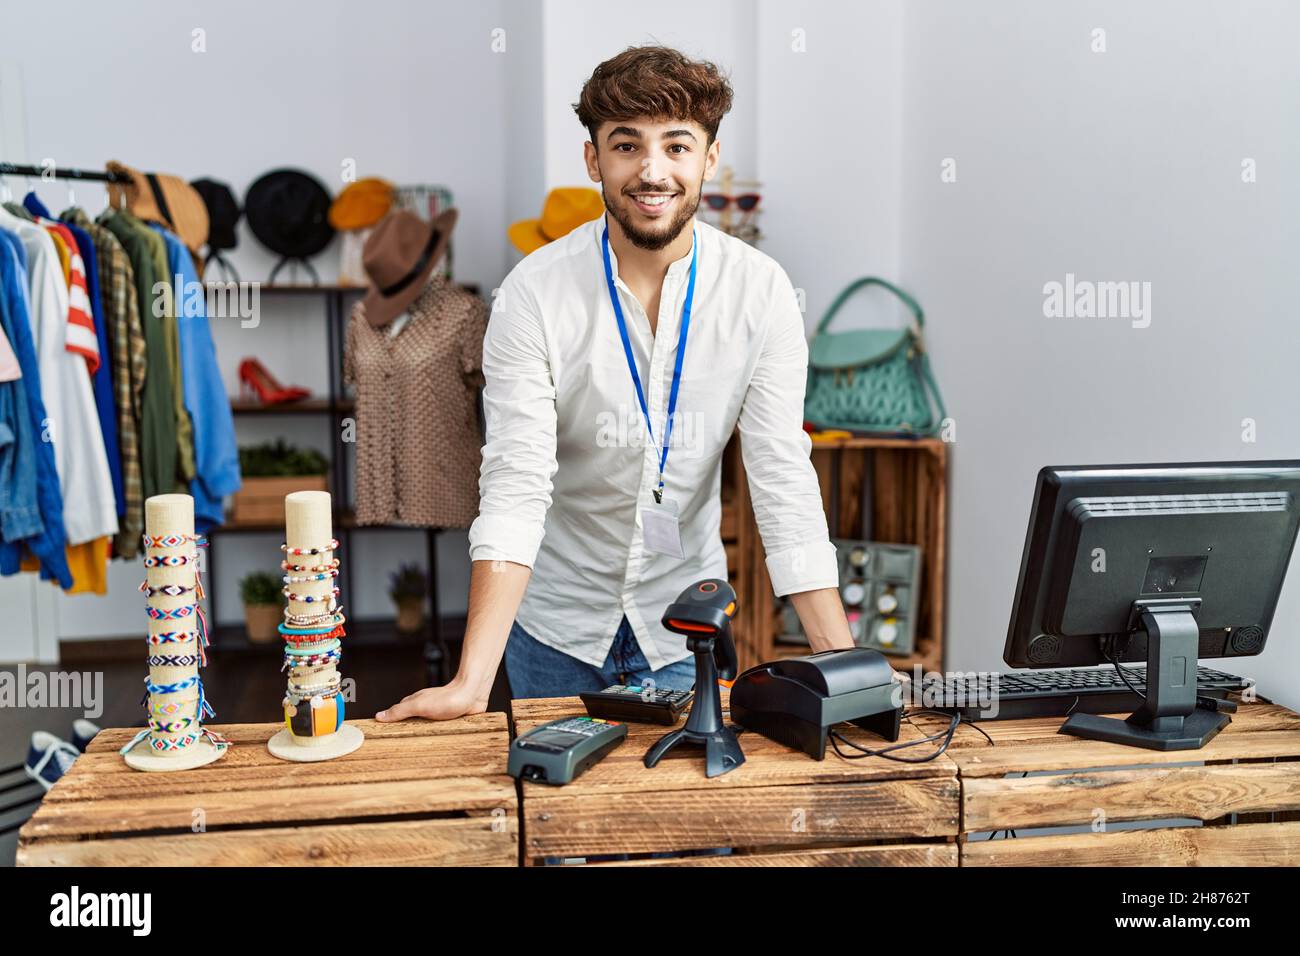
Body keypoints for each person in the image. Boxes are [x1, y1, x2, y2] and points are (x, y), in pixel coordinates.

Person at [377, 45, 852, 723]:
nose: (652, 171)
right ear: (593, 160)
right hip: (555, 628)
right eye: (626, 146)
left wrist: (842, 664)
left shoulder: (761, 293)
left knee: (696, 825)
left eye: (677, 146)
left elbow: (781, 475)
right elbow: (515, 482)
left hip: (688, 623)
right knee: (557, 824)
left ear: (708, 161)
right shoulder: (533, 296)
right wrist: (471, 683)